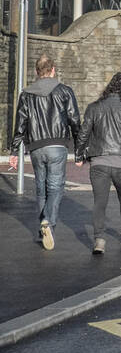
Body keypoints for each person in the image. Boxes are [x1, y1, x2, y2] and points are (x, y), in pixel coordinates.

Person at [9, 53, 81, 250]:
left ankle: (43, 230)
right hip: (57, 145)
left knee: (41, 188)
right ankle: (48, 221)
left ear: (36, 71)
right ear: (53, 70)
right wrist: (80, 147)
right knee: (56, 188)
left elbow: (20, 123)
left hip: (36, 147)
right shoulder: (65, 91)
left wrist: (14, 150)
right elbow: (74, 120)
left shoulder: (26, 94)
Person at [75, 72, 121, 255]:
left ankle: (99, 240)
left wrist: (78, 156)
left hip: (99, 162)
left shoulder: (94, 107)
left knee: (99, 202)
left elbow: (83, 134)